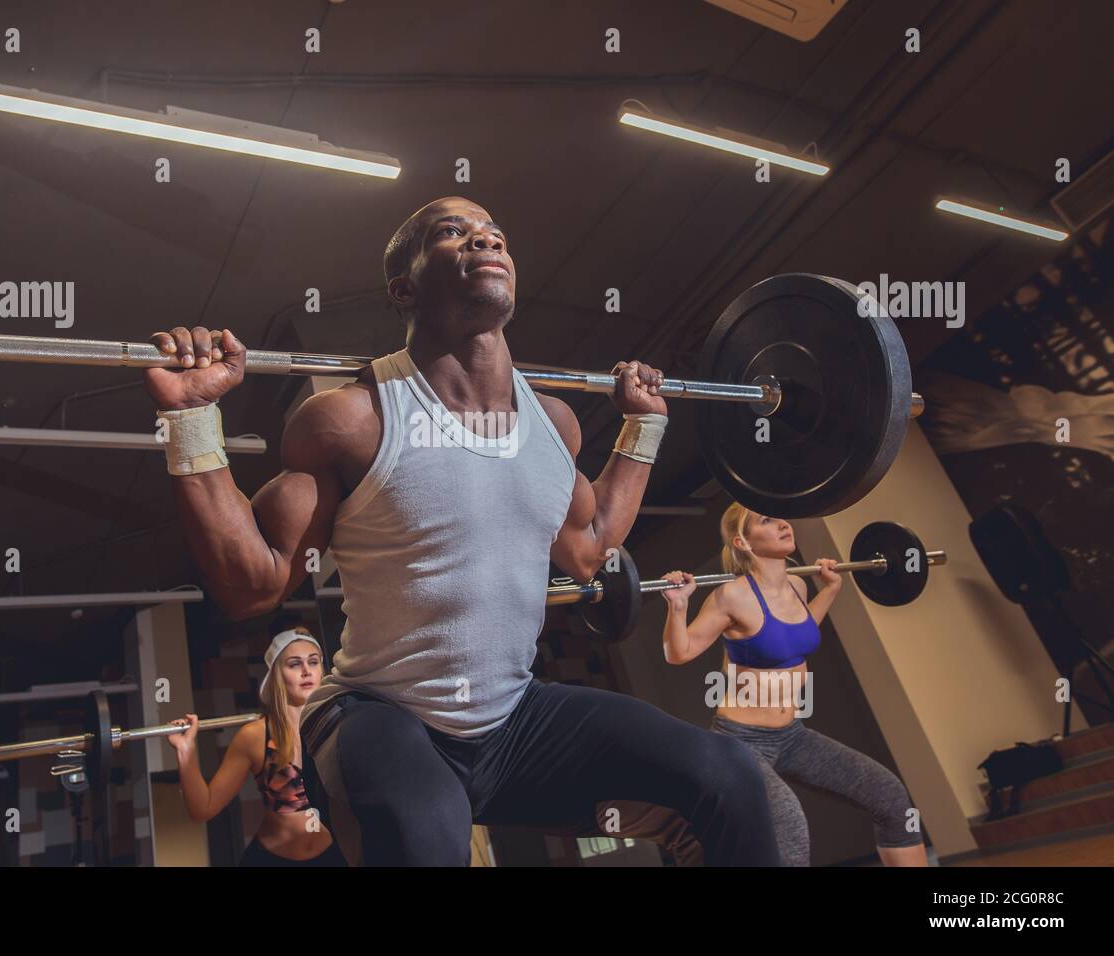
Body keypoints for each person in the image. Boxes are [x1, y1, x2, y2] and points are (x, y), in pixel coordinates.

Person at [144, 196, 779, 866]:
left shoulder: (553, 425)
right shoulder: (352, 420)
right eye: (454, 233)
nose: (484, 240)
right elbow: (255, 584)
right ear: (405, 285)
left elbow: (591, 551)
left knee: (727, 776)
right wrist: (191, 419)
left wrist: (643, 425)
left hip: (514, 722)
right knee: (424, 830)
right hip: (379, 715)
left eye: (494, 233)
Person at [657, 503, 928, 866]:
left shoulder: (798, 585)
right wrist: (677, 607)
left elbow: (796, 637)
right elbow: (679, 653)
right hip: (740, 743)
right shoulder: (732, 596)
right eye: (767, 520)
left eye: (779, 516)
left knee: (889, 796)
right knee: (790, 829)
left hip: (793, 736)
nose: (783, 523)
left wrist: (829, 590)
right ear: (744, 542)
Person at [166, 621, 345, 866]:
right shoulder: (256, 735)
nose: (306, 671)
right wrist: (186, 752)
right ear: (276, 676)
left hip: (333, 856)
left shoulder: (336, 724)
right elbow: (203, 808)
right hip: (272, 859)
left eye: (313, 662)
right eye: (294, 664)